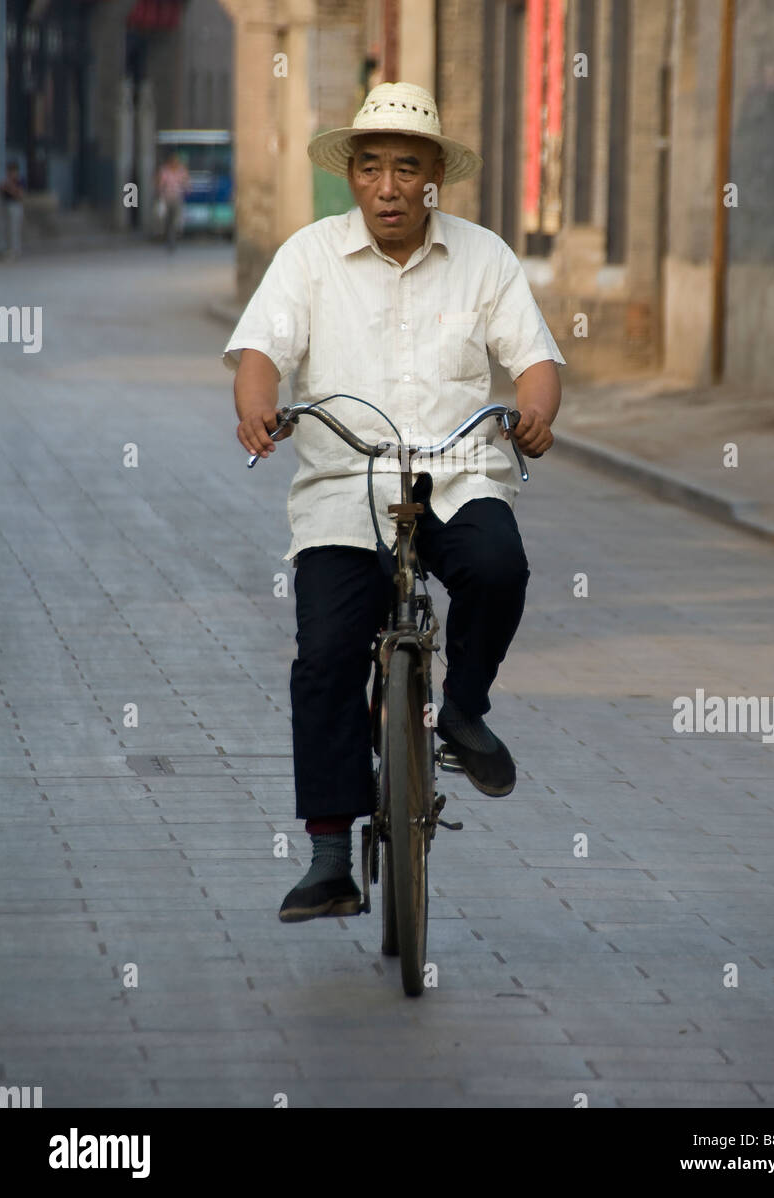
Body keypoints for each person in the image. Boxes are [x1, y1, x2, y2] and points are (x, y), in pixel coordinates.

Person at [222, 81, 566, 924]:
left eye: (404, 168)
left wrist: (536, 412)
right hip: (346, 485)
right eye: (370, 167)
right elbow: (261, 349)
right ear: (352, 176)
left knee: (498, 565)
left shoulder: (484, 257)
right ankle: (331, 855)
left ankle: (464, 713)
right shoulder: (307, 257)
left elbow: (535, 360)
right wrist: (255, 406)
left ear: (432, 178)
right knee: (328, 654)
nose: (386, 185)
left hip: (456, 472)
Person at [155, 152, 189, 250]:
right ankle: (167, 237)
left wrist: (186, 189)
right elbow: (159, 184)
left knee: (175, 220)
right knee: (166, 219)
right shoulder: (164, 171)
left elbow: (186, 182)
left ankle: (172, 239)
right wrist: (160, 193)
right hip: (166, 198)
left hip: (177, 197)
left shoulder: (181, 171)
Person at [0, 160, 26, 259]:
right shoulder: (6, 181)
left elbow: (20, 195)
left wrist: (10, 188)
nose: (10, 174)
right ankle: (5, 249)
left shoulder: (20, 181)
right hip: (5, 206)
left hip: (15, 206)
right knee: (5, 228)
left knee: (14, 229)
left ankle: (15, 250)